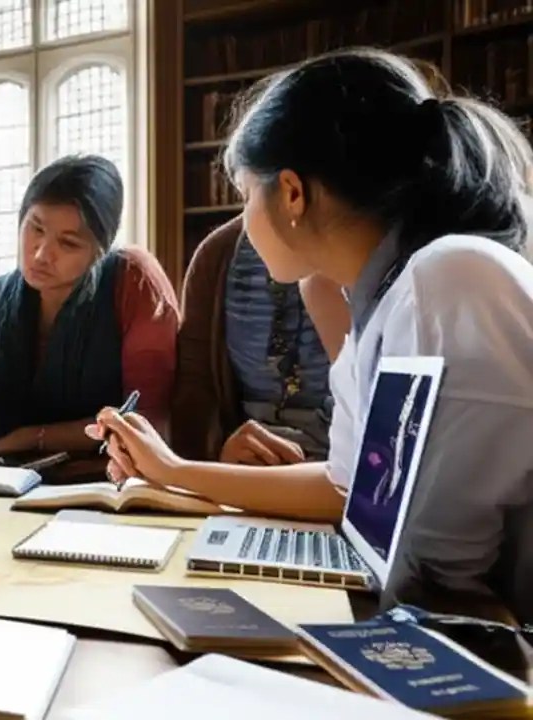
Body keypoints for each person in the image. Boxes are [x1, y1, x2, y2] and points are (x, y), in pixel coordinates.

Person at [94, 48, 533, 622]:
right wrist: (172, 471)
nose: (244, 220)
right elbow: (347, 489)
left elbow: (436, 578)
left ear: (294, 194)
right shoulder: (383, 301)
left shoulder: (446, 282)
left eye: (247, 194)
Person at [0, 154, 178, 475]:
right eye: (36, 228)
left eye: (69, 243)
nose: (42, 254)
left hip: (109, 482)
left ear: (100, 250)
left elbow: (148, 421)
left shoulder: (131, 281)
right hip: (3, 485)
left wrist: (34, 438)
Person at [172, 214, 350, 465]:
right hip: (248, 471)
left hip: (346, 474)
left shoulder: (369, 252)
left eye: (248, 189)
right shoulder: (217, 254)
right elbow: (193, 396)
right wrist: (219, 452)